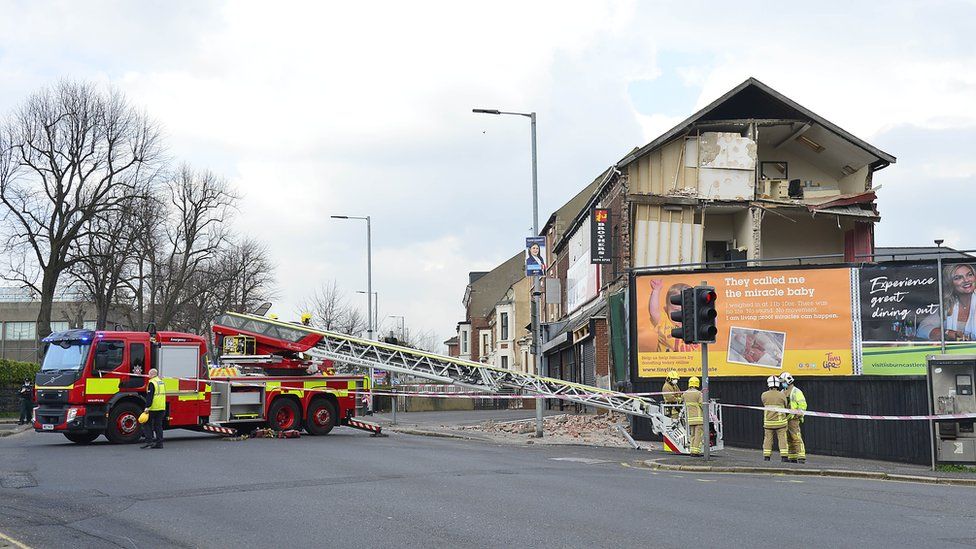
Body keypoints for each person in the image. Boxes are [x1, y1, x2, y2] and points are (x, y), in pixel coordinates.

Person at [919, 263, 976, 341]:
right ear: (950, 284)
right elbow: (922, 329)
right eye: (958, 278)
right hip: (953, 353)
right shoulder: (947, 304)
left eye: (969, 275)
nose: (966, 280)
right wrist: (947, 333)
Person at [648, 280, 699, 352]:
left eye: (687, 311)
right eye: (676, 311)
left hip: (693, 362)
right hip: (667, 361)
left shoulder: (696, 321)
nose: (682, 316)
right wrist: (656, 291)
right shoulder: (664, 321)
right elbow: (653, 312)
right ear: (666, 310)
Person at [779, 372, 807, 463]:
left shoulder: (796, 392)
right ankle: (792, 456)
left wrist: (798, 413)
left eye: (783, 381)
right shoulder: (782, 392)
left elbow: (803, 404)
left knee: (796, 437)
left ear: (788, 381)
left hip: (794, 418)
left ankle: (801, 456)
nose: (782, 383)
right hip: (785, 418)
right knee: (788, 438)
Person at [761, 375, 789, 462]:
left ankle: (766, 456)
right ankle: (784, 457)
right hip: (780, 422)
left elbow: (763, 403)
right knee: (782, 439)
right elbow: (786, 404)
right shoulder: (782, 395)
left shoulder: (764, 395)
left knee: (768, 439)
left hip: (768, 422)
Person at [141, 368, 166, 449]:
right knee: (158, 426)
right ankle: (160, 444)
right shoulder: (161, 381)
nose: (148, 376)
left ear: (152, 374)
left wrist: (147, 407)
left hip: (153, 408)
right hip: (162, 407)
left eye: (149, 374)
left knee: (146, 423)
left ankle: (149, 441)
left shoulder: (152, 383)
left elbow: (150, 396)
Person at [682, 376, 704, 456]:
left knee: (692, 435)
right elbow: (702, 404)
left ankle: (692, 450)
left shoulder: (685, 394)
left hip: (690, 418)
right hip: (699, 418)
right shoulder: (699, 393)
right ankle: (696, 452)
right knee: (698, 435)